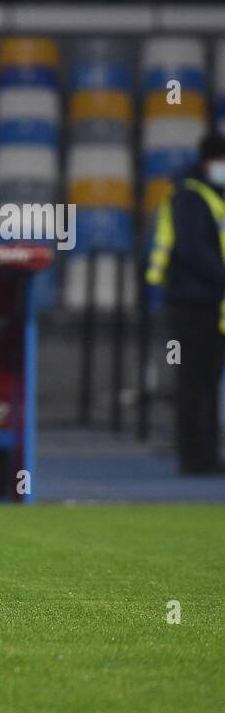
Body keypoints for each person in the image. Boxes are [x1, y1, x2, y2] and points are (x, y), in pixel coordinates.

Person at [146, 130, 225, 474]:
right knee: (194, 382)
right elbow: (194, 252)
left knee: (205, 382)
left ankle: (205, 453)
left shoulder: (207, 193)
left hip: (208, 300)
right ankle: (195, 458)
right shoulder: (191, 195)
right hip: (192, 302)